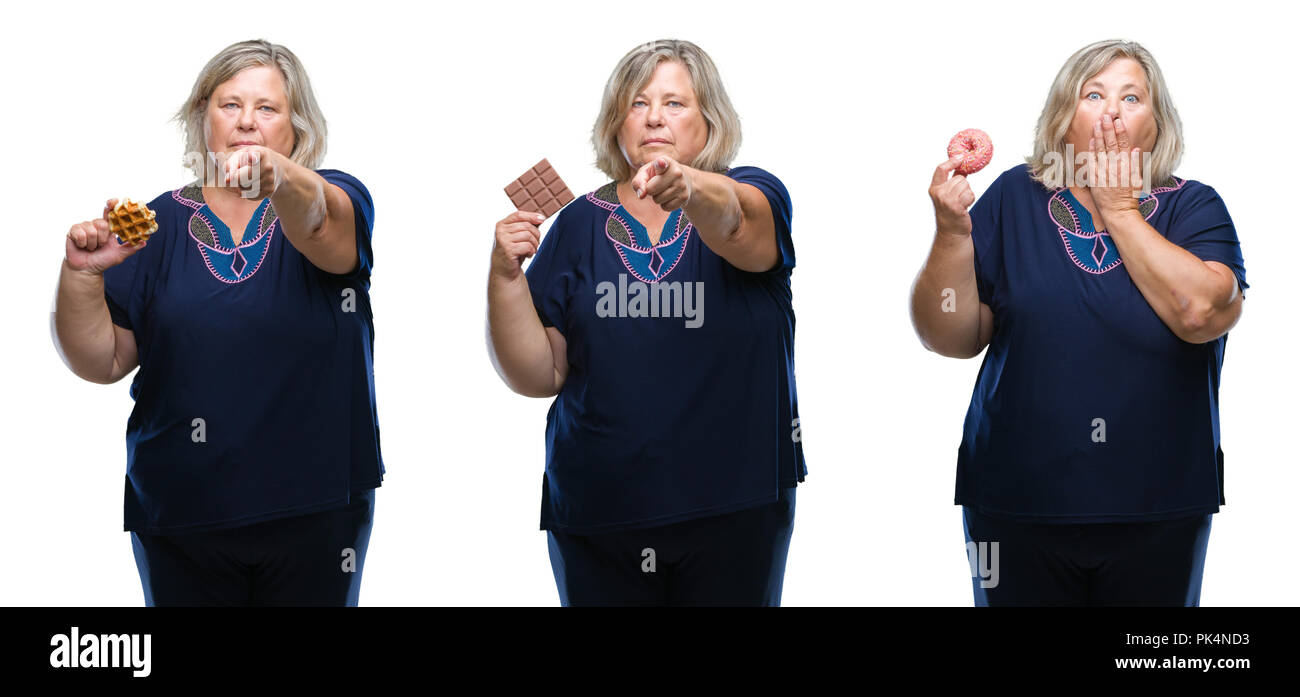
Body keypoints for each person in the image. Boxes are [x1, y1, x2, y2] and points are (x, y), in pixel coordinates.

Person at [911, 39, 1247, 606]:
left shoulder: (1194, 207)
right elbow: (946, 335)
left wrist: (1118, 208)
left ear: (1157, 125)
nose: (1112, 111)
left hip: (1159, 502)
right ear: (1064, 118)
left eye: (1132, 97)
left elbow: (1203, 314)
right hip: (1015, 498)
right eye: (1094, 94)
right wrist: (950, 234)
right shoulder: (1015, 195)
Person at [52, 39, 381, 606]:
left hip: (316, 504)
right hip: (180, 508)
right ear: (202, 117)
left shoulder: (337, 194)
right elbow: (100, 360)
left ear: (297, 126)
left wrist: (275, 174)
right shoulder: (155, 223)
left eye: (268, 108)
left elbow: (321, 224)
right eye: (230, 105)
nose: (247, 122)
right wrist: (81, 275)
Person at [487, 39, 805, 606]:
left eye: (675, 103)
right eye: (637, 103)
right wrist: (505, 276)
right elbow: (539, 375)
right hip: (598, 509)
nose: (654, 115)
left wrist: (690, 188)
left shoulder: (757, 191)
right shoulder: (579, 222)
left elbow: (739, 225)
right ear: (616, 123)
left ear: (711, 121)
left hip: (736, 504)